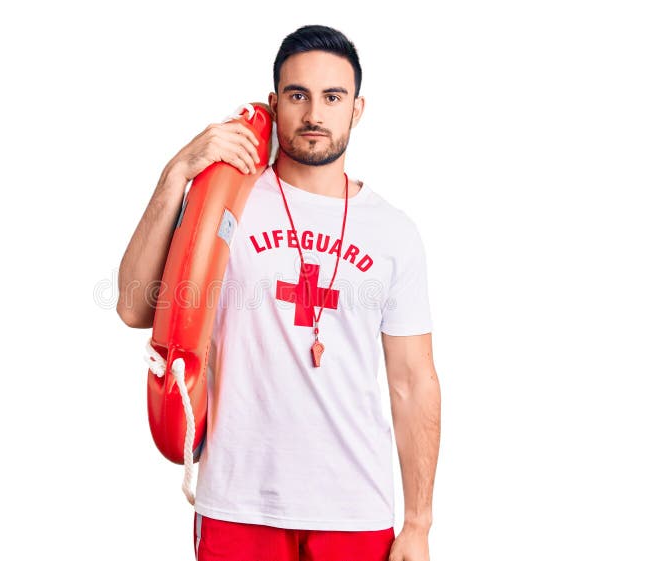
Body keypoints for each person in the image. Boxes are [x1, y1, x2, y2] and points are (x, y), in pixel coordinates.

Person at [117, 24, 440, 561]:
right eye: (298, 95)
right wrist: (177, 172)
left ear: (356, 109)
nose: (315, 114)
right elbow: (133, 306)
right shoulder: (225, 200)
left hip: (355, 509)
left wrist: (419, 523)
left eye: (332, 97)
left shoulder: (394, 232)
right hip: (237, 505)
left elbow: (413, 383)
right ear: (275, 103)